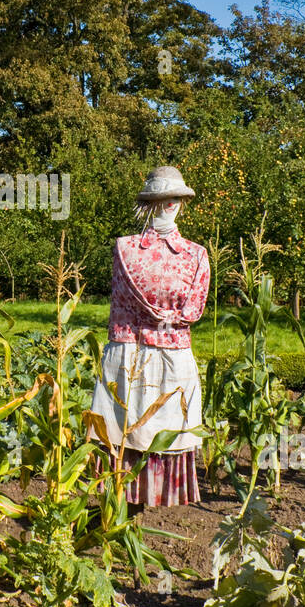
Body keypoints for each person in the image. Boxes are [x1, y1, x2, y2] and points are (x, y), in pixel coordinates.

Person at [90, 165, 210, 508]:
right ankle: (137, 501)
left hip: (128, 354)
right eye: (168, 199)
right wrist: (167, 317)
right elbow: (193, 311)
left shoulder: (124, 249)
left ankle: (126, 500)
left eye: (170, 198)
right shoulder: (196, 255)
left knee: (128, 429)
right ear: (175, 205)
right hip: (167, 356)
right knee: (156, 428)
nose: (169, 204)